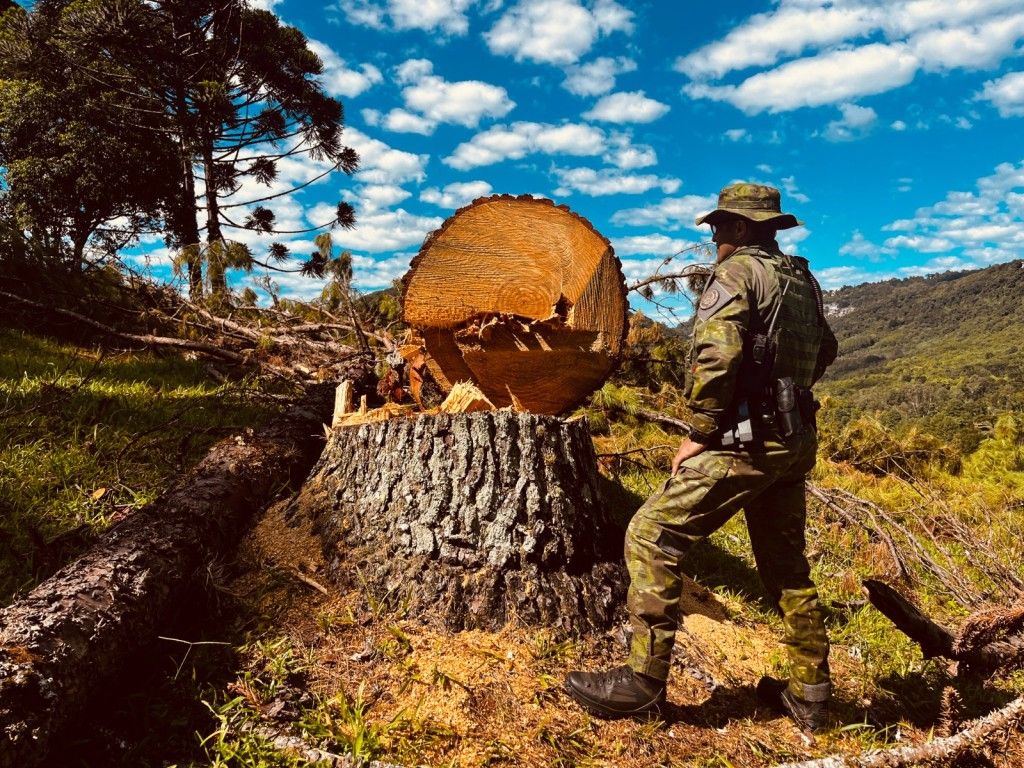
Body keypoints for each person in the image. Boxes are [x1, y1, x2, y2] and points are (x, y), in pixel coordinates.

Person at [564, 182, 839, 732]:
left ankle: (642, 683)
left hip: (747, 440)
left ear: (739, 227)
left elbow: (717, 355)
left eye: (718, 227)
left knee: (651, 535)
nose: (713, 237)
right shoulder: (801, 279)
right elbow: (826, 350)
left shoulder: (737, 273)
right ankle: (809, 693)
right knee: (786, 565)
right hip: (794, 440)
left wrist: (703, 430)